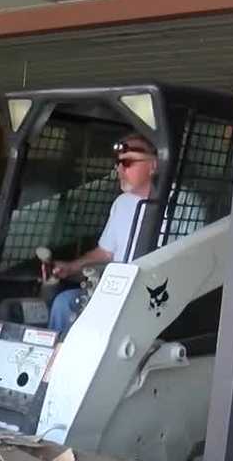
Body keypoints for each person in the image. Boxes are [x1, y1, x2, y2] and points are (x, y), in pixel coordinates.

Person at [47, 134, 158, 337]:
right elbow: (105, 252)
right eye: (118, 163)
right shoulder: (122, 203)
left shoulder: (181, 203)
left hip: (152, 297)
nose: (119, 170)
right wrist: (71, 267)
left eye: (128, 162)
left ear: (153, 165)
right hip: (116, 291)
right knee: (64, 303)